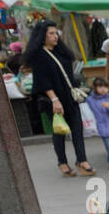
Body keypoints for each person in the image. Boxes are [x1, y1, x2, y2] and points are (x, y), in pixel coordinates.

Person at [24, 20, 92, 177]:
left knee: (77, 129)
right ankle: (62, 162)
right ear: (43, 36)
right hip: (53, 99)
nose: (55, 36)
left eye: (56, 33)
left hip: (69, 96)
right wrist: (54, 100)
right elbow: (42, 80)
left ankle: (82, 160)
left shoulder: (61, 51)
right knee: (59, 131)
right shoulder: (39, 55)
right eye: (51, 33)